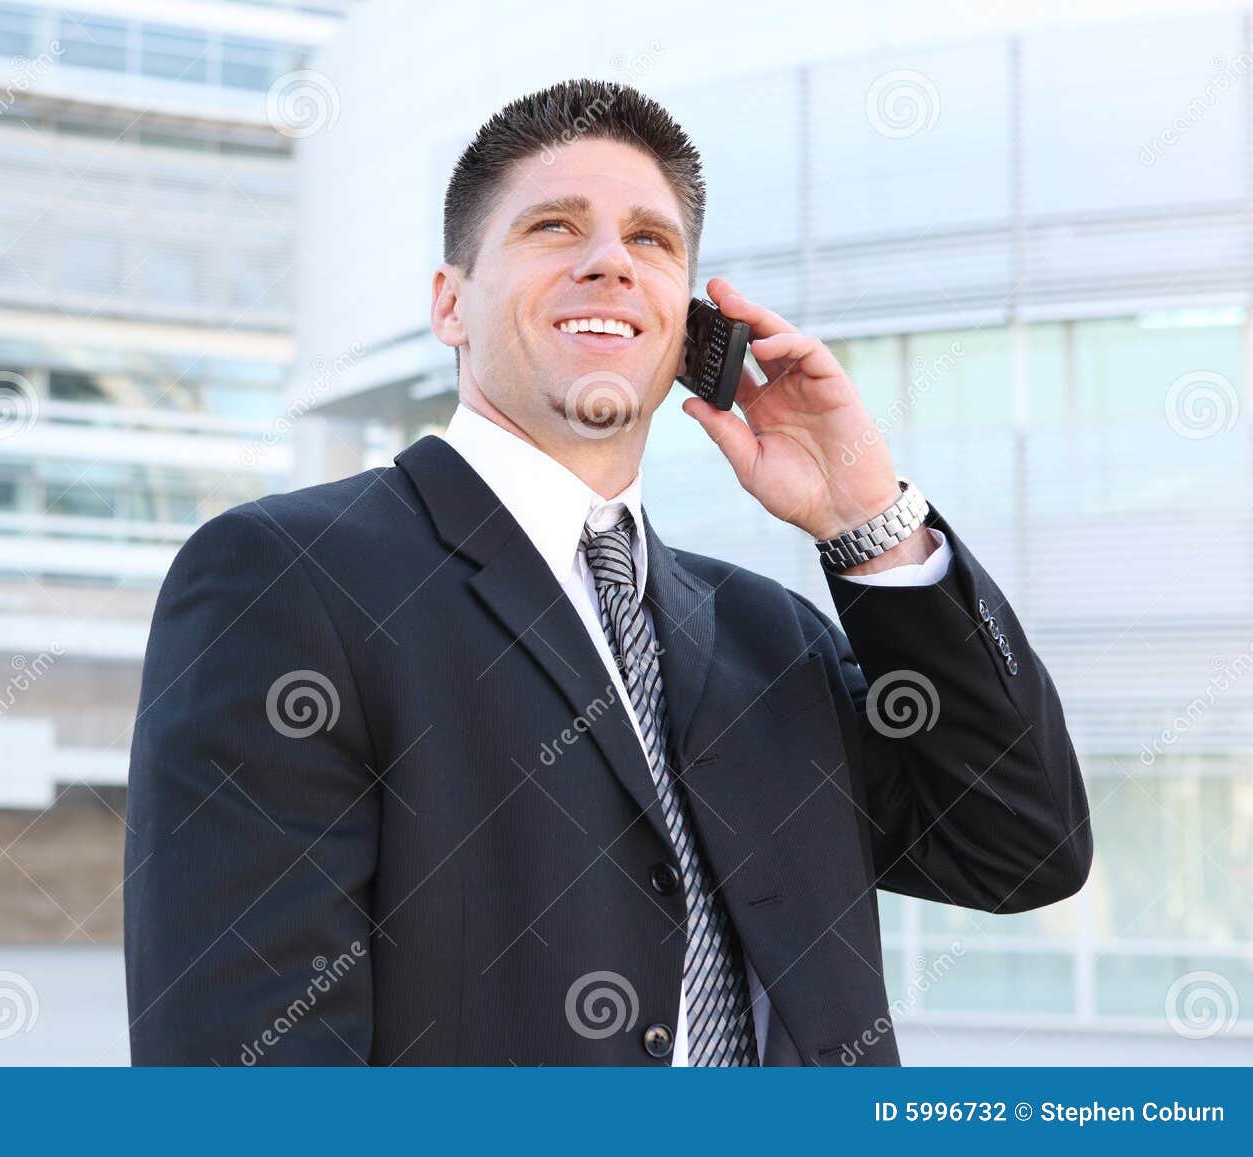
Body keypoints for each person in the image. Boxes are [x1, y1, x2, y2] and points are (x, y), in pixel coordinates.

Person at [124, 78, 1091, 1066]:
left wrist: (866, 518)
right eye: (553, 226)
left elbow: (1018, 845)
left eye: (652, 241)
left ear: (690, 329)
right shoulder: (289, 579)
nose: (608, 263)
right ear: (449, 303)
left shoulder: (773, 637)